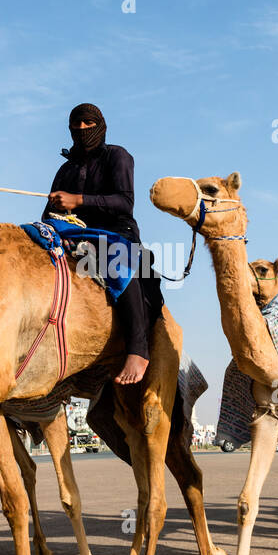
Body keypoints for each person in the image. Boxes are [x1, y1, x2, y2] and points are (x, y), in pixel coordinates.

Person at [43, 103, 161, 385]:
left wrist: (78, 201)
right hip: (72, 236)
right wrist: (54, 213)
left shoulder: (117, 156)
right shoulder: (65, 170)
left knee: (116, 260)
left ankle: (137, 349)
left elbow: (125, 202)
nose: (82, 129)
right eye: (76, 124)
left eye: (88, 122)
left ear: (100, 125)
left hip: (114, 232)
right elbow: (47, 213)